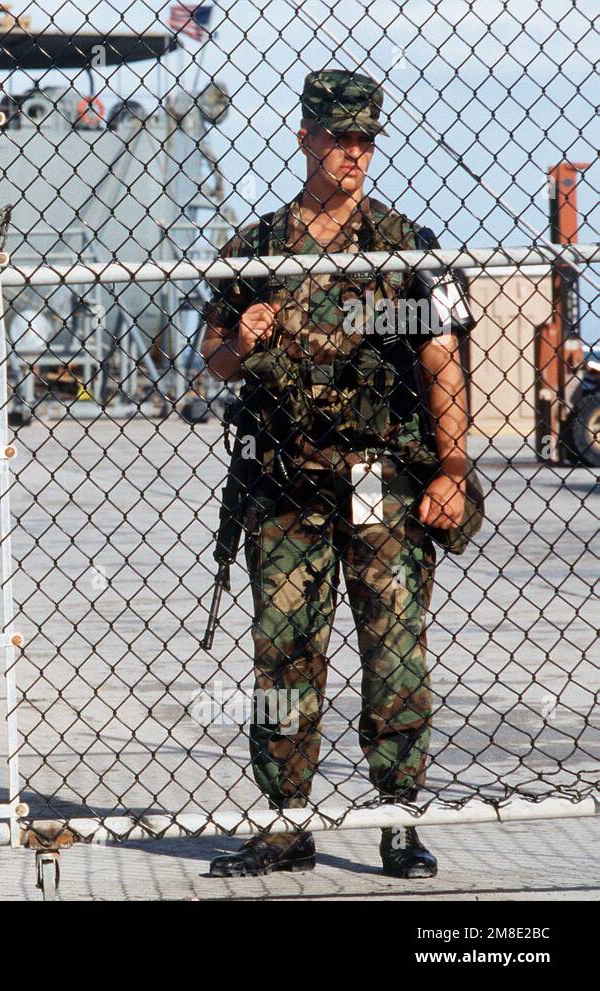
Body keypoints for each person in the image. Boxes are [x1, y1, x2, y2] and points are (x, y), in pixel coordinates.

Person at [199, 70, 475, 879]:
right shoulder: (254, 248)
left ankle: (397, 820)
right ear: (306, 137)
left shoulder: (405, 245)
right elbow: (210, 361)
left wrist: (452, 469)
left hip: (380, 482)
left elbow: (443, 366)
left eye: (365, 140)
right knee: (283, 655)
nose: (354, 153)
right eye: (339, 138)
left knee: (394, 652)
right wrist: (241, 343)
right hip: (285, 487)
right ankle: (285, 820)